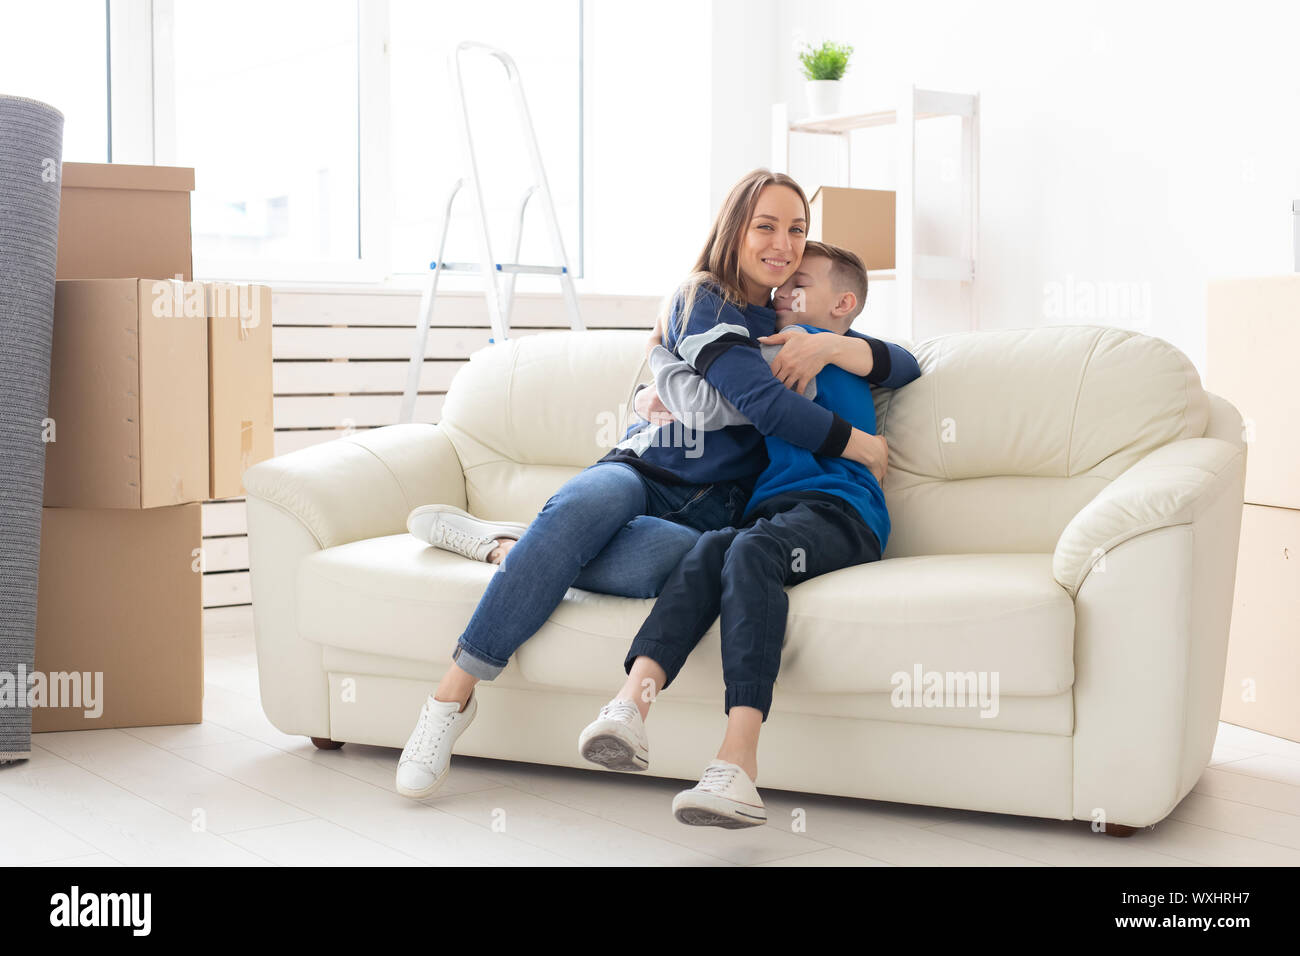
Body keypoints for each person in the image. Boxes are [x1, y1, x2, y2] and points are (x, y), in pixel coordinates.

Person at [394, 169, 896, 799]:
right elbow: (764, 405)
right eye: (766, 225)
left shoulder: (794, 311)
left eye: (797, 229)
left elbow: (896, 358)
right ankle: (450, 700)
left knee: (675, 563)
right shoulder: (703, 297)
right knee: (580, 512)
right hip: (647, 467)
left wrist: (833, 351)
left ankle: (507, 547)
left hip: (714, 511)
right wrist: (861, 443)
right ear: (735, 228)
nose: (784, 243)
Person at [578, 241, 920, 828]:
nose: (785, 289)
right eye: (785, 282)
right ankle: (630, 708)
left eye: (802, 281)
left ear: (842, 302)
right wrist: (655, 373)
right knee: (714, 545)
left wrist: (830, 344)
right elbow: (705, 383)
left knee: (753, 550)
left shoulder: (847, 352)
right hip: (773, 511)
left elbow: (905, 363)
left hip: (843, 512)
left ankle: (738, 764)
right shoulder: (764, 351)